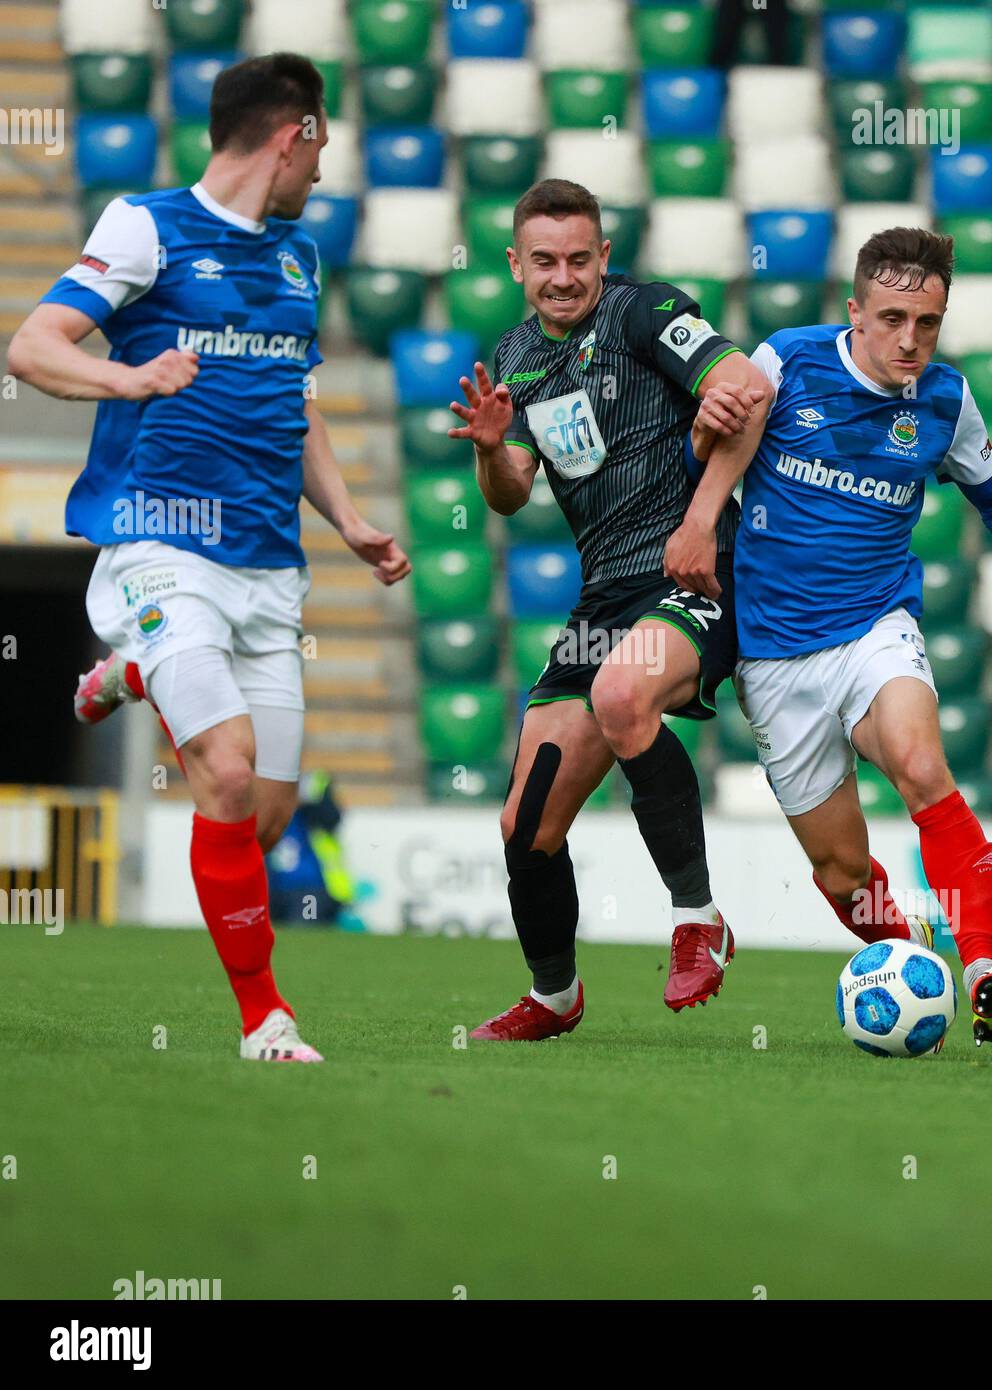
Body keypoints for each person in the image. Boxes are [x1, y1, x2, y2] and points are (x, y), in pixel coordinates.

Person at [7, 53, 409, 1062]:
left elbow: (295, 403)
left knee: (261, 816)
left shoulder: (299, 257)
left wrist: (350, 518)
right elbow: (34, 346)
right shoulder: (146, 225)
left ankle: (134, 670)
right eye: (320, 144)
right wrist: (132, 377)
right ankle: (264, 1018)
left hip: (271, 566)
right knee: (224, 774)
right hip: (158, 542)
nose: (323, 169)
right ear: (292, 135)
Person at [687, 226, 992, 1046]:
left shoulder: (945, 400)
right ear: (855, 311)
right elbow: (711, 449)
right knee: (842, 873)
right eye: (891, 318)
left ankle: (983, 964)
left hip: (876, 627)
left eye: (928, 322)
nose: (909, 339)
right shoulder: (787, 363)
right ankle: (914, 966)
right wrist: (702, 468)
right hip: (773, 654)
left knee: (920, 765)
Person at [447, 178, 773, 1041]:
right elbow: (513, 492)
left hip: (694, 572)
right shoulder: (514, 355)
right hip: (604, 599)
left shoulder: (642, 313)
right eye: (545, 261)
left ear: (603, 257)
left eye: (580, 259)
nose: (563, 277)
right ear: (517, 265)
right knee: (525, 825)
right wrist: (491, 450)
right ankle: (555, 997)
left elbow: (742, 382)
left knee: (622, 699)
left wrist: (705, 506)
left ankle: (698, 919)